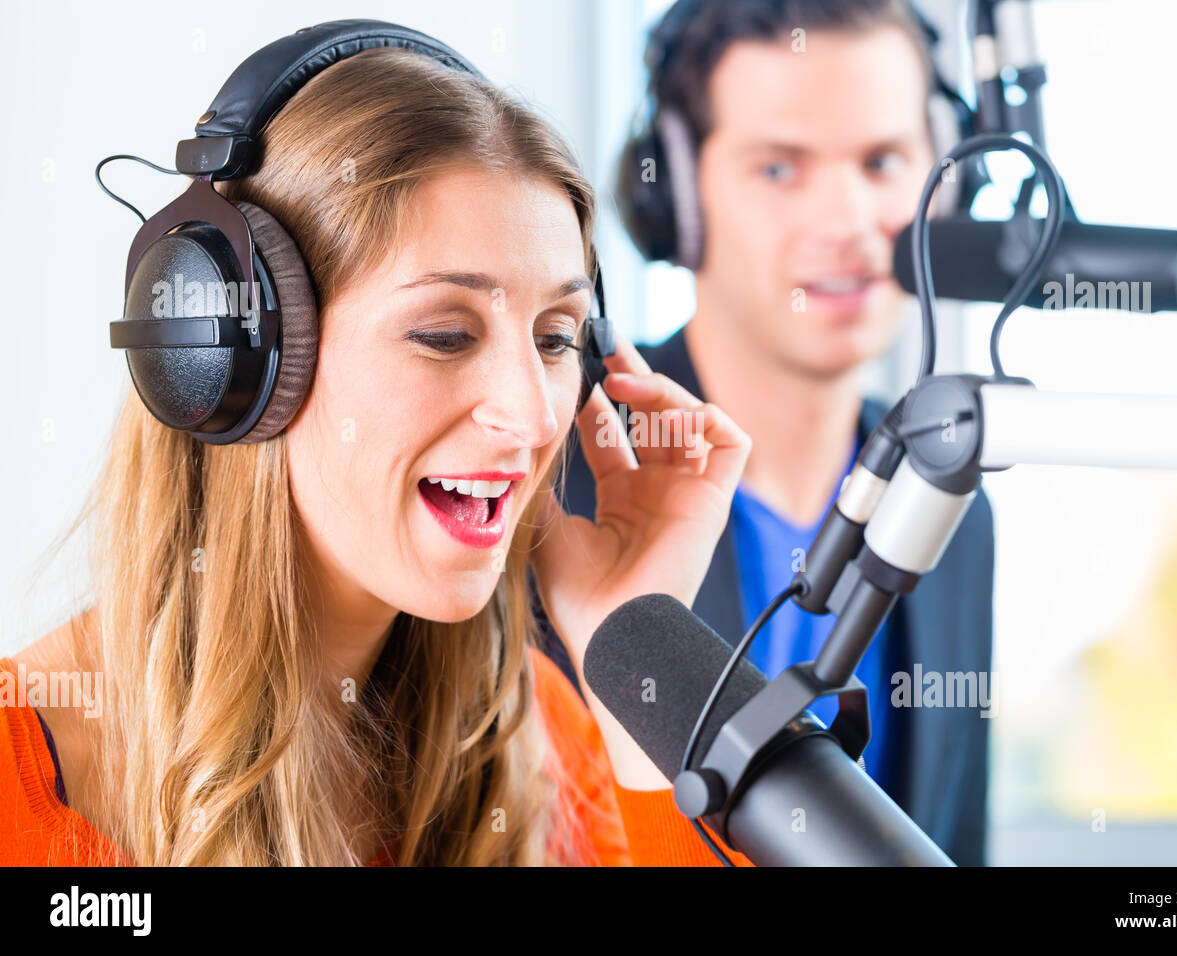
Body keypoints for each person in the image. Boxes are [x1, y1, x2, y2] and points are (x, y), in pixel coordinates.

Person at [0, 36, 755, 866]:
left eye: (554, 338)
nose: (535, 417)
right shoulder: (19, 783)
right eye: (444, 334)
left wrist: (635, 649)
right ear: (226, 356)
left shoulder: (546, 739)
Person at [545, 0, 996, 866]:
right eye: (781, 169)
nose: (848, 222)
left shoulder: (949, 506)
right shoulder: (555, 487)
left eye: (884, 161)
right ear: (675, 194)